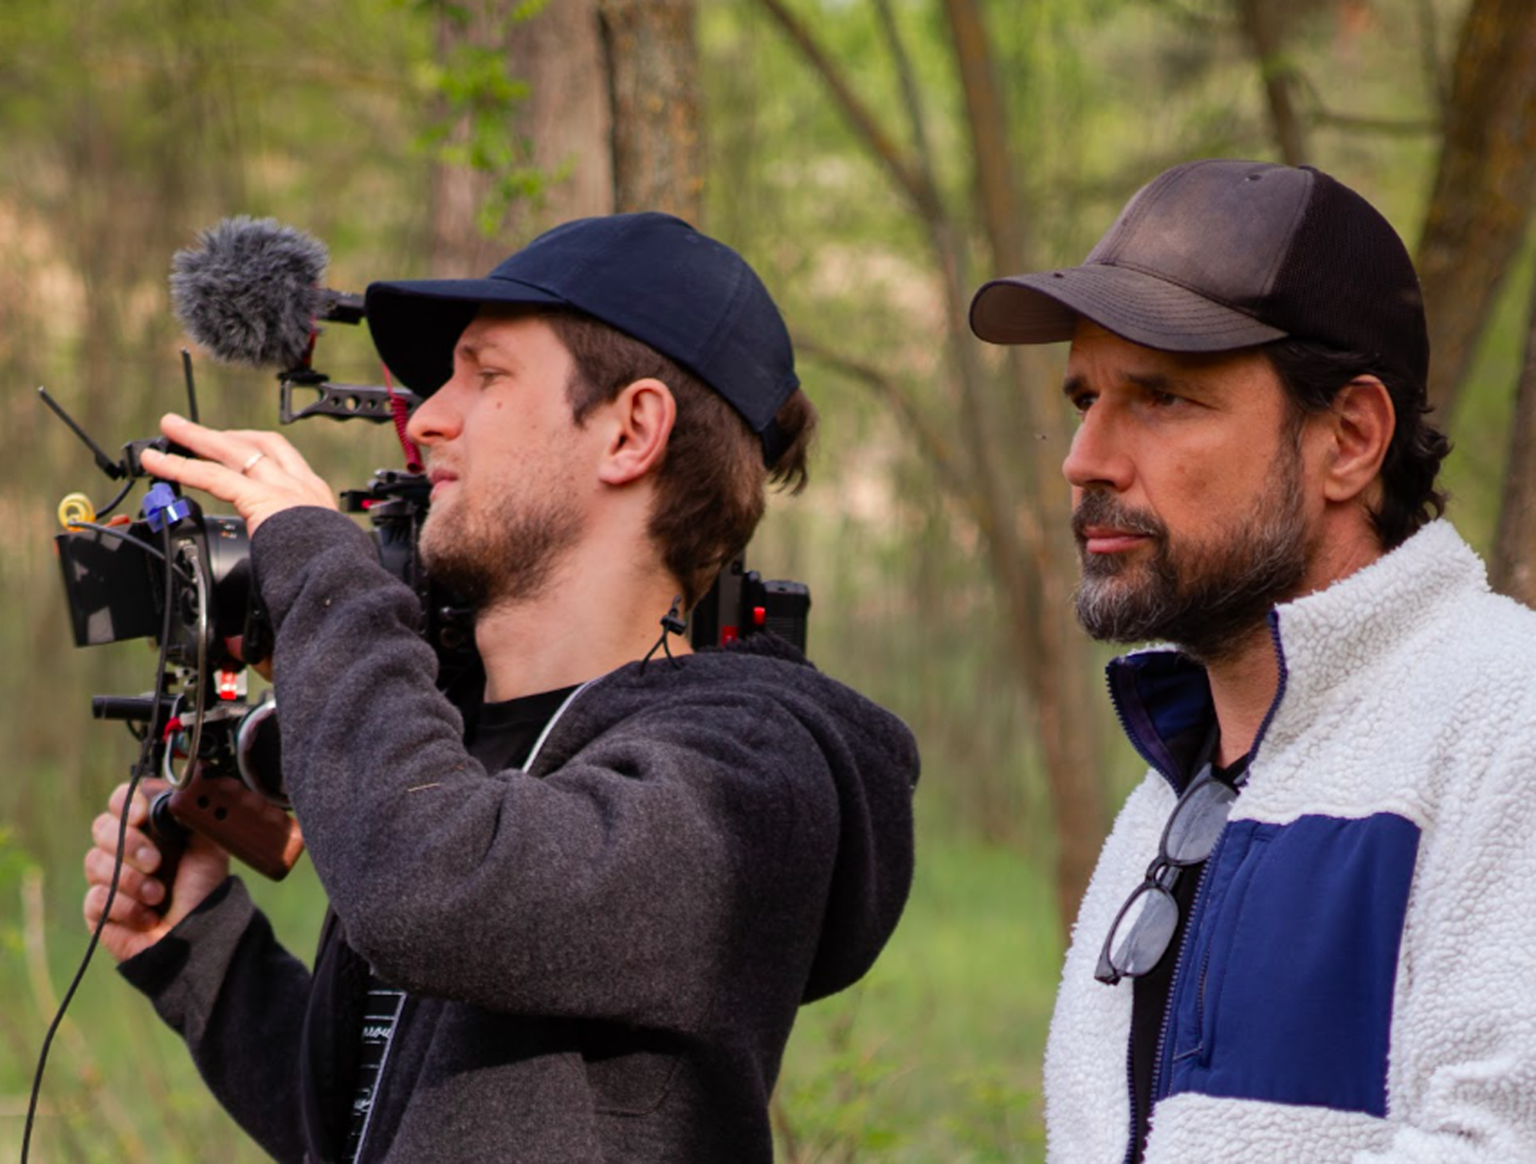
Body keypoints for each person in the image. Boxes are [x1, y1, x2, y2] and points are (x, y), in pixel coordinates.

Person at [82, 212, 918, 1163]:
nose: (426, 419)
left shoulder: (750, 781)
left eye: (486, 377)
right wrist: (200, 949)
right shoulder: (455, 749)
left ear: (631, 431)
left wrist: (318, 566)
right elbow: (387, 1125)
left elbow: (431, 889)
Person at [969, 159, 1536, 1162]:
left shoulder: (1506, 719)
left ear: (1349, 439)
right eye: (1085, 398)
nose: (1084, 458)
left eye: (1160, 397)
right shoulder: (1172, 788)